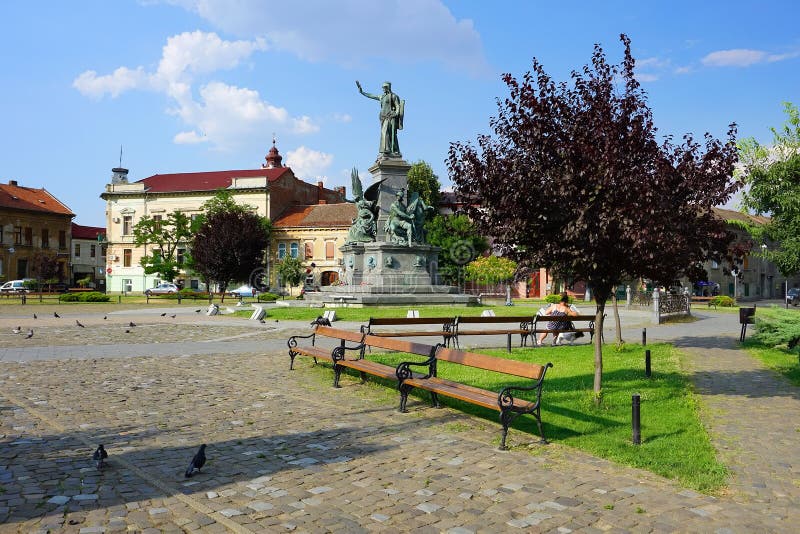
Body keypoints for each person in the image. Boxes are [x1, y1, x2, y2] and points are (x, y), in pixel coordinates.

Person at [356, 80, 403, 157]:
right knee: (387, 134)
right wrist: (362, 92)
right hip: (383, 117)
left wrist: (396, 113)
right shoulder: (382, 97)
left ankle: (387, 150)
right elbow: (371, 95)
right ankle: (393, 150)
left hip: (390, 116)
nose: (383, 89)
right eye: (383, 87)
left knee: (386, 132)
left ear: (388, 87)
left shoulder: (393, 96)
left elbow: (398, 106)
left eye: (384, 87)